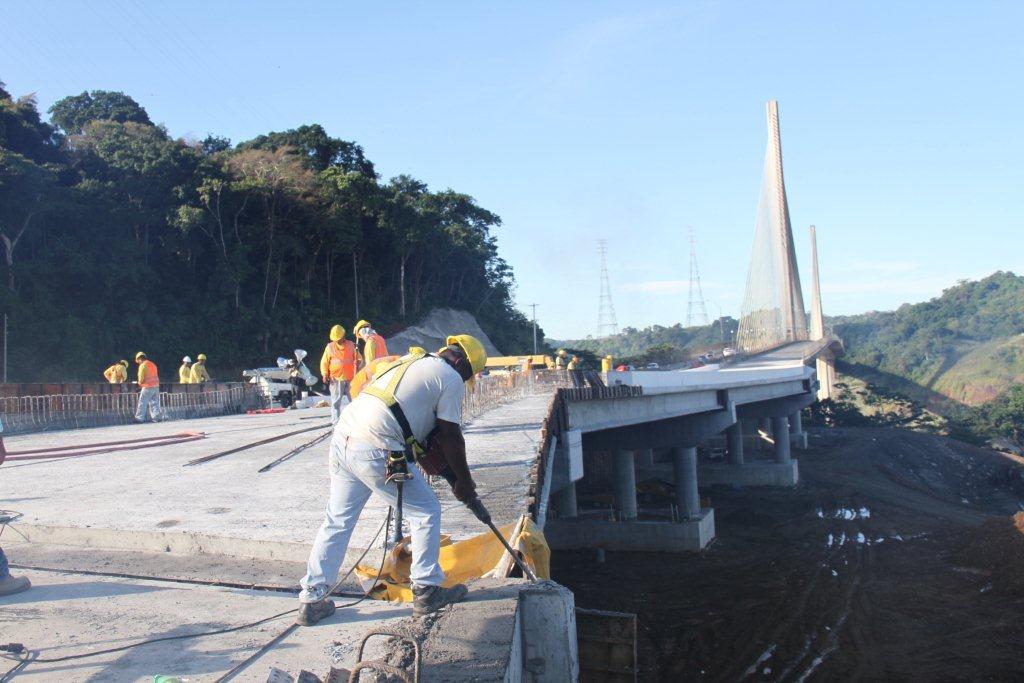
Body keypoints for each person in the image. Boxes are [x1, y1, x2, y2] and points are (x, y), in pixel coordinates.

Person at [297, 334, 488, 626]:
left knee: (337, 520)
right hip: (375, 446)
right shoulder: (449, 377)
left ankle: (312, 599)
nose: (465, 382)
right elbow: (450, 436)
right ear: (461, 364)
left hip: (344, 436)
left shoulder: (412, 360)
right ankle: (426, 590)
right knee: (425, 511)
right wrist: (464, 482)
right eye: (468, 376)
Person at [320, 324, 356, 424]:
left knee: (355, 401)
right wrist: (324, 373)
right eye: (335, 339)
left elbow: (358, 358)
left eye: (339, 338)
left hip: (351, 378)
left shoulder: (351, 345)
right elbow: (324, 362)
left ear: (344, 336)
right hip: (335, 378)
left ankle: (357, 422)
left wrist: (359, 362)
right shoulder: (330, 347)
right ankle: (336, 422)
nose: (337, 341)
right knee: (336, 402)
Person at [134, 352, 162, 423]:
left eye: (138, 361)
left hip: (147, 386)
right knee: (154, 402)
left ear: (139, 359)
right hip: (156, 386)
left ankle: (139, 418)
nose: (138, 363)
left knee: (142, 402)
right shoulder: (153, 364)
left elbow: (141, 377)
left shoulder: (143, 365)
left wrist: (139, 384)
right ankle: (157, 417)